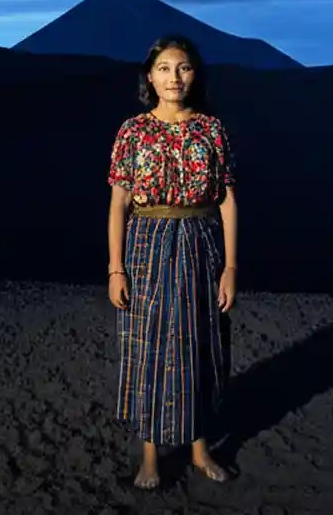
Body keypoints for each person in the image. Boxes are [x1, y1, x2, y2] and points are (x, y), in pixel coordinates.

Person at [106, 34, 238, 490]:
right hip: (147, 244)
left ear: (194, 74)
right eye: (164, 68)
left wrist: (231, 268)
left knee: (200, 342)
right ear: (150, 76)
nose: (174, 77)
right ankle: (150, 457)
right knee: (149, 346)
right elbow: (119, 203)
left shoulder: (212, 129)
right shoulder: (133, 131)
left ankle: (200, 449)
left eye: (182, 67)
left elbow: (227, 200)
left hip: (202, 244)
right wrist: (116, 268)